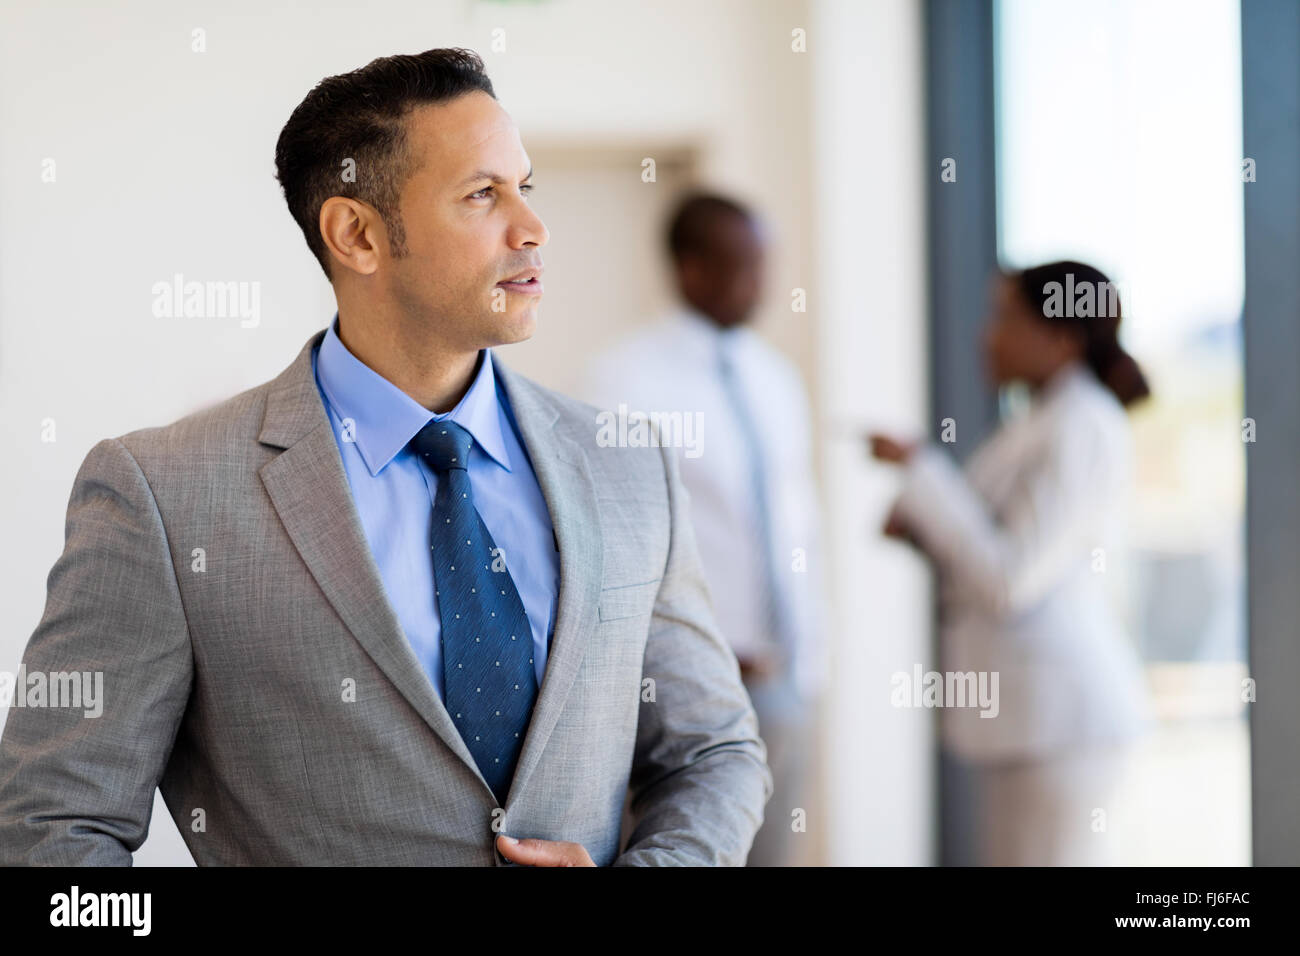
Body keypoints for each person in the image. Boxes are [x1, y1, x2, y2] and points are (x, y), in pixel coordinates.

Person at [0, 48, 771, 867]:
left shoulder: (628, 466)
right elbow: (56, 826)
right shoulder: (163, 494)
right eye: (483, 194)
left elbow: (713, 754)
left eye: (526, 188)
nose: (533, 227)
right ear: (357, 235)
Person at [870, 260, 1154, 866]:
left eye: (1005, 318)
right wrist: (925, 527)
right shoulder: (1042, 420)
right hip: (1030, 725)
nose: (986, 335)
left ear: (1061, 338)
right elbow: (990, 547)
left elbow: (1009, 577)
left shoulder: (1083, 424)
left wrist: (922, 470)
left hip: (1062, 723)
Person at [583, 193, 826, 866]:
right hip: (682, 683)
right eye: (743, 265)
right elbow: (610, 538)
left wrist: (808, 654)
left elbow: (794, 524)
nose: (761, 284)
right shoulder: (624, 377)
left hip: (780, 676)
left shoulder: (774, 378)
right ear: (691, 270)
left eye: (763, 264)